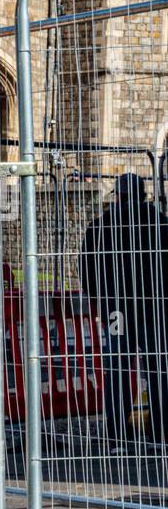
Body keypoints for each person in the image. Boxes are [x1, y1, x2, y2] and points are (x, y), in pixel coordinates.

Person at [80, 172, 168, 449]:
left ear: (117, 195)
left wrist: (101, 303)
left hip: (116, 310)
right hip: (154, 308)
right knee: (159, 370)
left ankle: (117, 435)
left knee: (118, 370)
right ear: (143, 195)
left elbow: (87, 272)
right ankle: (160, 434)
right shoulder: (160, 224)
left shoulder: (99, 228)